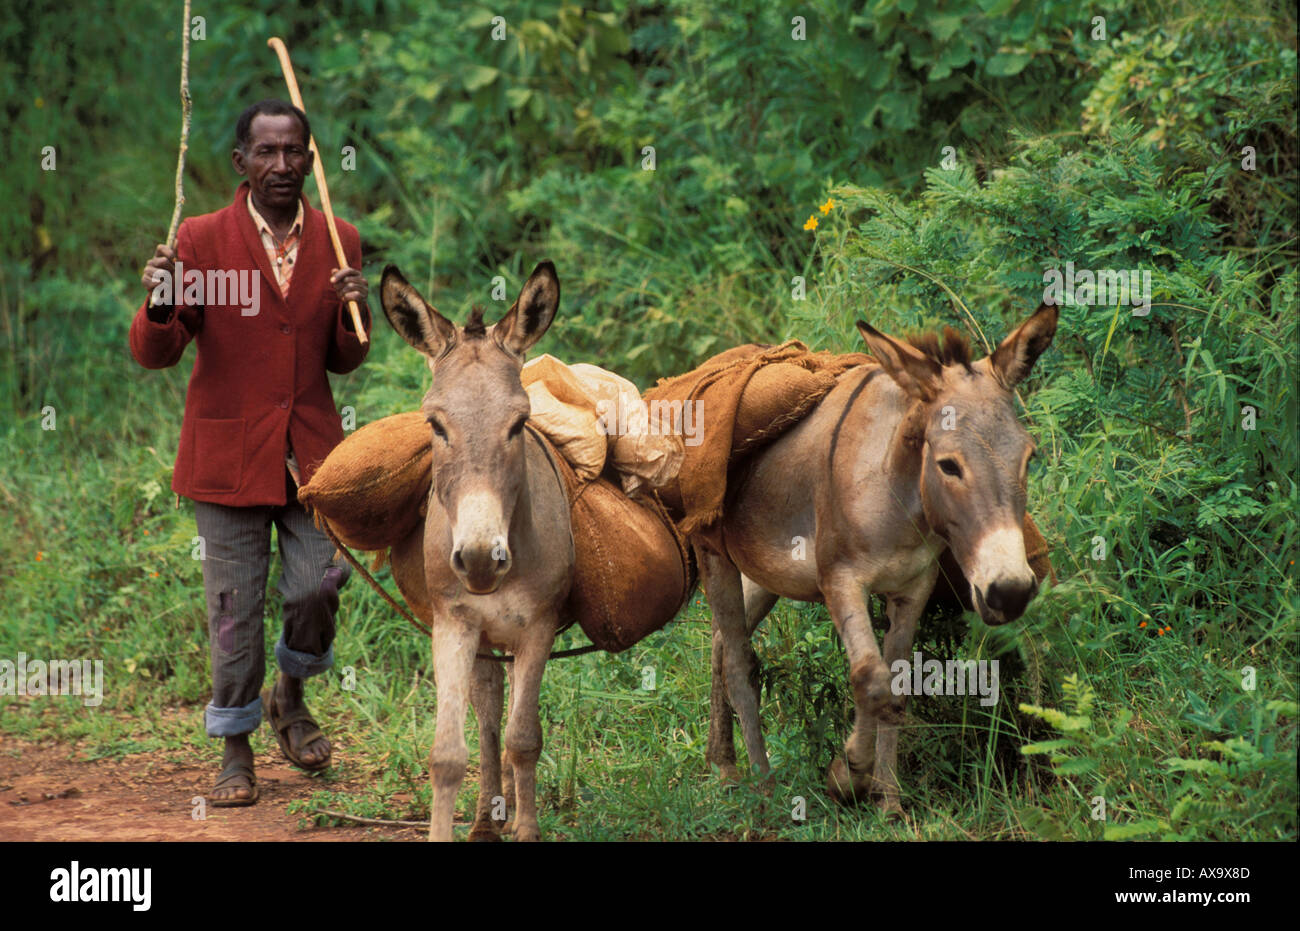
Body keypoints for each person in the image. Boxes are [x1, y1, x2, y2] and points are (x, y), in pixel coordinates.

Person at [130, 99, 371, 806]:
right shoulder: (200, 240)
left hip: (312, 459)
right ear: (241, 162)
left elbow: (343, 357)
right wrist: (162, 300)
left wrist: (355, 311)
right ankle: (236, 750)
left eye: (294, 151)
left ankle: (289, 696)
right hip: (227, 460)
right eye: (265, 152)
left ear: (311, 160)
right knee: (234, 609)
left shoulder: (340, 236)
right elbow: (158, 352)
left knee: (318, 584)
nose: (281, 166)